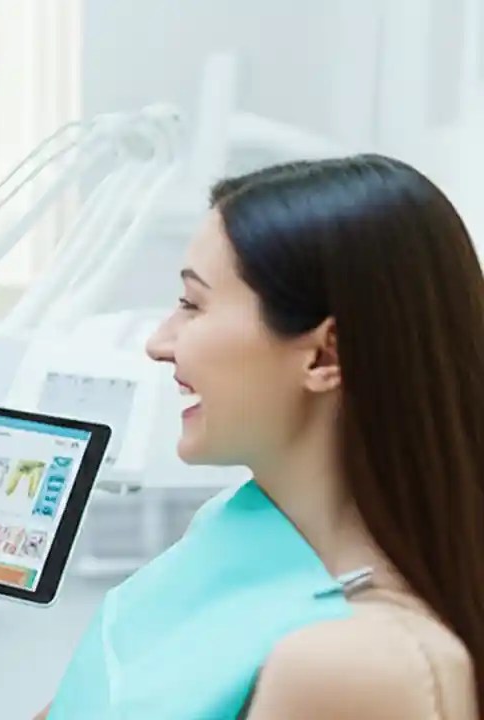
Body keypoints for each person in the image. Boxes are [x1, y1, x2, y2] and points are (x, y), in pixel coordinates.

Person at [34, 155, 481, 718]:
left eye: (192, 305)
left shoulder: (362, 666)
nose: (159, 342)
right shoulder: (230, 522)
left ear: (325, 354)